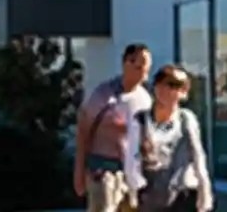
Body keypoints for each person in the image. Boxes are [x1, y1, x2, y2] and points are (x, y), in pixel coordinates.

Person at [76, 43, 154, 212]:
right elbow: (83, 130)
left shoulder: (144, 99)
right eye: (140, 67)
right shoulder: (103, 94)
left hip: (131, 173)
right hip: (102, 170)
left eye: (147, 69)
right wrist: (79, 173)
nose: (144, 74)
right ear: (126, 64)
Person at [125, 65, 214, 211]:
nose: (168, 90)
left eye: (175, 86)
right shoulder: (140, 120)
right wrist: (138, 188)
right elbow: (131, 158)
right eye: (162, 84)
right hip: (152, 195)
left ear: (184, 92)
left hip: (183, 193)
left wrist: (205, 192)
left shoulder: (187, 119)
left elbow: (198, 157)